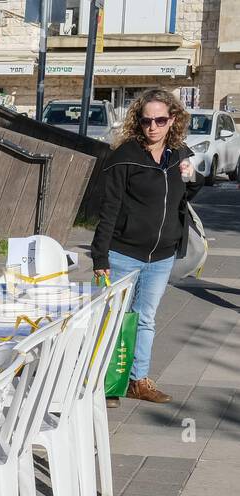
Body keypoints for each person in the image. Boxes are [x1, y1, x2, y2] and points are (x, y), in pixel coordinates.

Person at [92, 88, 201, 406]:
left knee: (145, 318)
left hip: (162, 255)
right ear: (137, 121)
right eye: (146, 120)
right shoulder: (124, 156)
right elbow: (109, 208)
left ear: (173, 120)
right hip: (123, 253)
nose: (153, 126)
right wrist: (100, 255)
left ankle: (138, 381)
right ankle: (109, 383)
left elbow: (187, 196)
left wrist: (192, 179)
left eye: (160, 120)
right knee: (114, 318)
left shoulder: (179, 154)